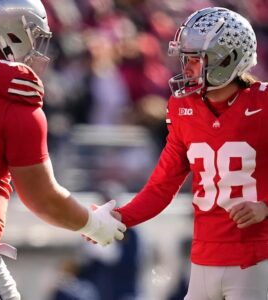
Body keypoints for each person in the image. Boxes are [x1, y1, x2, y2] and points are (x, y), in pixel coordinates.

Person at [0, 1, 126, 299]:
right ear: (12, 33)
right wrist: (95, 225)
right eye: (33, 36)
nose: (37, 48)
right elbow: (42, 198)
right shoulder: (13, 89)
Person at [115, 7, 268, 300]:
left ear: (228, 58)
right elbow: (162, 186)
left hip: (256, 257)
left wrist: (266, 206)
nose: (186, 67)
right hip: (203, 259)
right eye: (186, 58)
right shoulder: (182, 108)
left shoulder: (263, 103)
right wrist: (119, 217)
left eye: (196, 59)